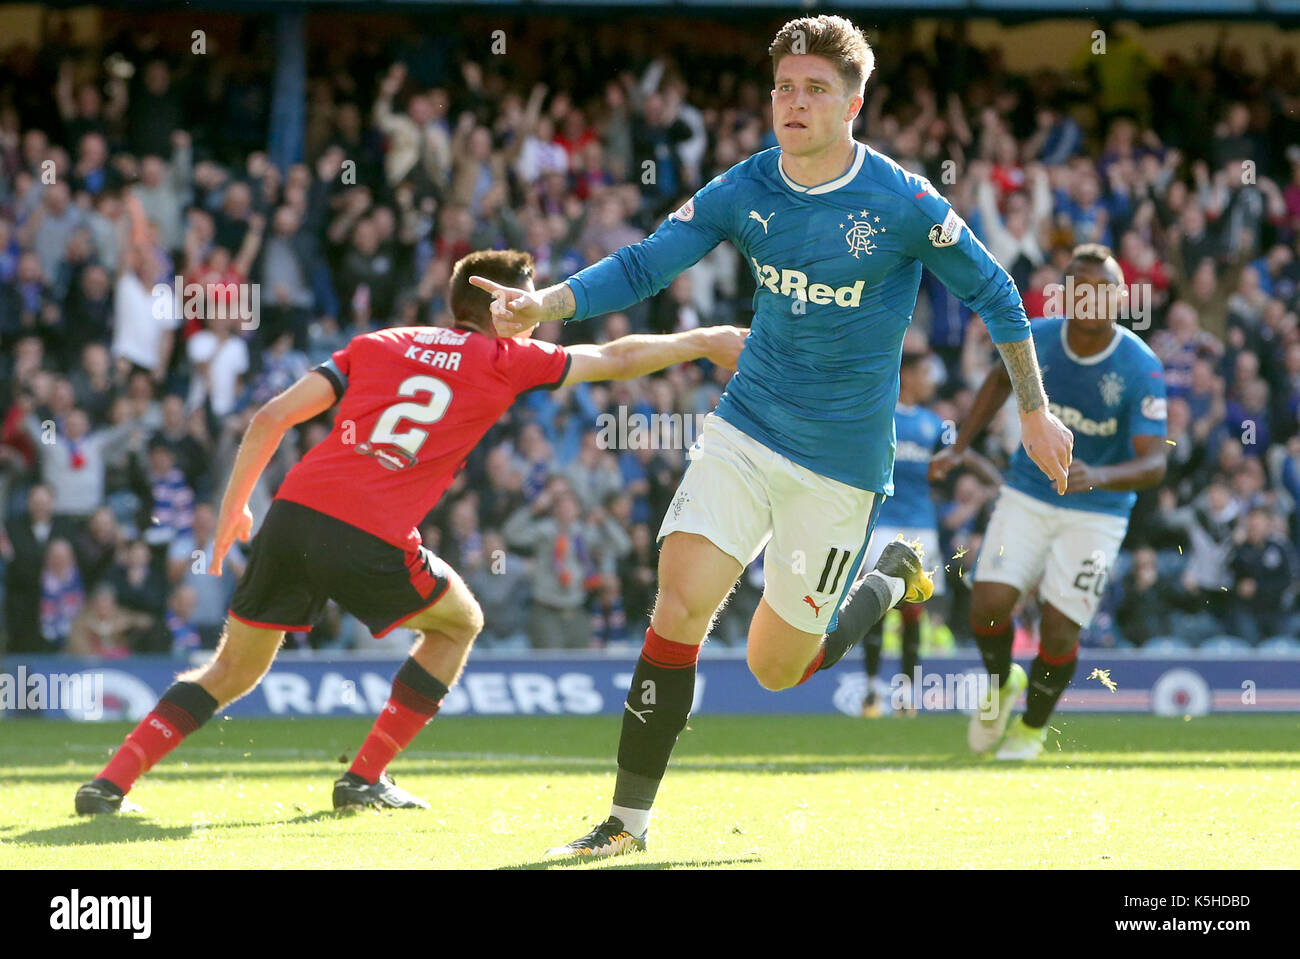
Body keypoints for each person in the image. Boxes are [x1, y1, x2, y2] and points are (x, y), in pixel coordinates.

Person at [474, 14, 1072, 858]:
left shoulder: (901, 201)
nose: (793, 101)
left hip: (839, 463)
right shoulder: (745, 186)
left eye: (815, 89)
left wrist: (1036, 408)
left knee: (776, 668)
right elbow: (648, 262)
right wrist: (549, 305)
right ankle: (626, 822)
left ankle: (889, 582)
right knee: (677, 598)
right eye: (784, 87)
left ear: (853, 104)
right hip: (747, 424)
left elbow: (1000, 293)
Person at [73, 249, 747, 815]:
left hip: (292, 511)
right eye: (532, 298)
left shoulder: (378, 343)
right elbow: (616, 356)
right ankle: (363, 777)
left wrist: (232, 513)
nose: (539, 311)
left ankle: (110, 783)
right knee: (458, 623)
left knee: (232, 669)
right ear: (502, 302)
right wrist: (700, 341)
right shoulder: (505, 360)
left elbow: (269, 418)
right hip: (367, 530)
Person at [931, 244, 1168, 760]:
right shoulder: (1036, 339)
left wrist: (1097, 474)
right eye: (1080, 289)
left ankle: (1033, 728)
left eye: (1102, 289)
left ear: (1119, 297)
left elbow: (1155, 464)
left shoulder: (1139, 366)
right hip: (1028, 491)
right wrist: (961, 446)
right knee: (988, 605)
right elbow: (998, 381)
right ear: (1066, 296)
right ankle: (1001, 683)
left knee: (1059, 632)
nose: (1090, 298)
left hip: (1099, 511)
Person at [859, 348, 946, 718]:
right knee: (875, 609)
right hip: (884, 525)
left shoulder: (935, 423)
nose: (931, 379)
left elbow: (950, 463)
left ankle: (907, 694)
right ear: (906, 375)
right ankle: (871, 690)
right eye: (925, 371)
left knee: (913, 611)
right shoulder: (882, 417)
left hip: (921, 526)